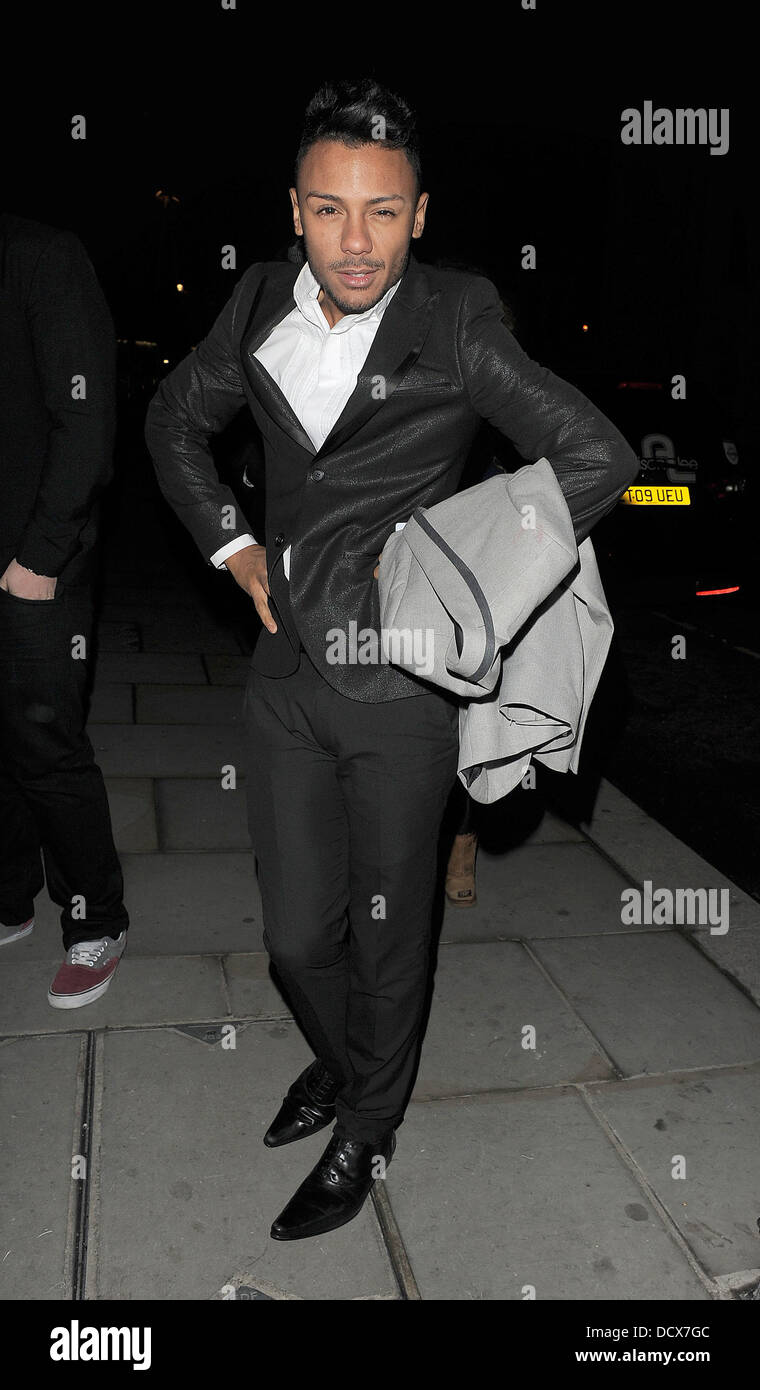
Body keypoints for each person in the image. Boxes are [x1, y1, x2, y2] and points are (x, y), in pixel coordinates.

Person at [144, 77, 638, 1241]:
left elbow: (593, 456)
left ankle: (367, 1121)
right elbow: (173, 421)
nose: (353, 242)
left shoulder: (457, 316)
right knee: (294, 938)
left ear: (419, 214)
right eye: (329, 210)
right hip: (282, 679)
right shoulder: (260, 298)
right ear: (295, 211)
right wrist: (233, 546)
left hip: (400, 695)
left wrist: (462, 575)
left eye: (381, 212)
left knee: (386, 930)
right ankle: (344, 1062)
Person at [0, 212, 129, 1007]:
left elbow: (86, 416)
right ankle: (7, 896)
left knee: (46, 745)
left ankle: (95, 920)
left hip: (32, 561)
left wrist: (40, 558)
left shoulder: (40, 254)